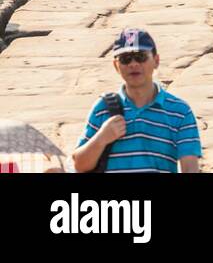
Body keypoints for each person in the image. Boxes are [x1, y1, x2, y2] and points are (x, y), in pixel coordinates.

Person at [72, 28, 201, 173]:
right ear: (116, 66)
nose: (133, 64)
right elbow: (79, 166)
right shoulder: (104, 108)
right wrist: (102, 138)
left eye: (140, 57)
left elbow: (190, 167)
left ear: (156, 61)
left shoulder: (180, 111)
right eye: (126, 59)